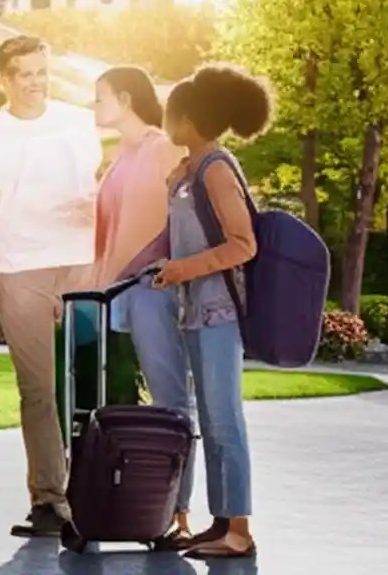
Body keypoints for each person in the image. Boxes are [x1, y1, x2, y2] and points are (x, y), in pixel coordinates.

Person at [0, 35, 104, 537]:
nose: (35, 82)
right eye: (24, 73)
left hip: (84, 264)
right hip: (22, 269)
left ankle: (106, 490)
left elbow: (99, 179)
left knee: (96, 381)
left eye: (41, 71)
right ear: (4, 80)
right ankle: (49, 500)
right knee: (38, 390)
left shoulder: (77, 122)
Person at [127, 64, 270, 560]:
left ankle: (239, 530)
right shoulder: (194, 168)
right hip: (193, 310)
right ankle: (219, 522)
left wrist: (182, 270)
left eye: (172, 115)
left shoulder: (217, 169)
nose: (167, 124)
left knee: (225, 418)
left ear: (189, 117)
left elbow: (242, 244)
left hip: (218, 313)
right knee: (208, 418)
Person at [91, 66, 197, 545]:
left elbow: (179, 219)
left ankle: (178, 512)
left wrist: (166, 272)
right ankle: (126, 503)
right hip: (113, 292)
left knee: (171, 398)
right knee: (109, 402)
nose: (95, 107)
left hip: (153, 290)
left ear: (126, 99)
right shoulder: (120, 156)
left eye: (100, 98)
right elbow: (112, 228)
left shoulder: (161, 147)